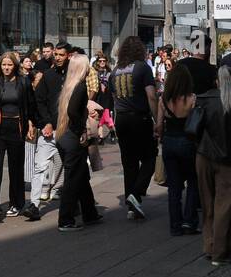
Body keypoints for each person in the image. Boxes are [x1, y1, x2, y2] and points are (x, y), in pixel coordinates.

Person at [187, 64, 231, 264]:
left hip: (203, 156)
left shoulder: (201, 101)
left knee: (207, 204)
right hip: (227, 161)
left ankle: (209, 246)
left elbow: (192, 130)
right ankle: (220, 251)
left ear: (216, 81)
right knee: (224, 206)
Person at [109, 36, 159, 221]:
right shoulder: (143, 68)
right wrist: (158, 120)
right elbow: (151, 96)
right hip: (140, 118)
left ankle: (132, 205)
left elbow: (114, 98)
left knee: (129, 163)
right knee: (149, 157)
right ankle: (136, 193)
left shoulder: (115, 71)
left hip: (121, 119)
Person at [0, 51, 33, 224]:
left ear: (15, 66)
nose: (6, 68)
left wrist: (32, 125)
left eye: (10, 65)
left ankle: (17, 203)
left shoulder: (23, 82)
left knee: (16, 169)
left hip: (17, 129)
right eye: (4, 64)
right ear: (0, 65)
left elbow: (30, 106)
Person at [55, 53, 102, 232]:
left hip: (64, 136)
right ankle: (65, 220)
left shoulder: (69, 85)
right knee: (73, 179)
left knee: (81, 175)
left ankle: (90, 213)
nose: (90, 68)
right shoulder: (80, 87)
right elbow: (73, 111)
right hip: (72, 138)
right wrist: (81, 129)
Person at [30, 41, 70, 208]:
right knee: (39, 167)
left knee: (73, 168)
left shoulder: (74, 75)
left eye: (61, 55)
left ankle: (75, 204)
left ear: (68, 56)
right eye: (56, 55)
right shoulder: (48, 75)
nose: (58, 58)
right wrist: (45, 122)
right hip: (50, 130)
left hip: (69, 130)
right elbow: (39, 100)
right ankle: (34, 204)